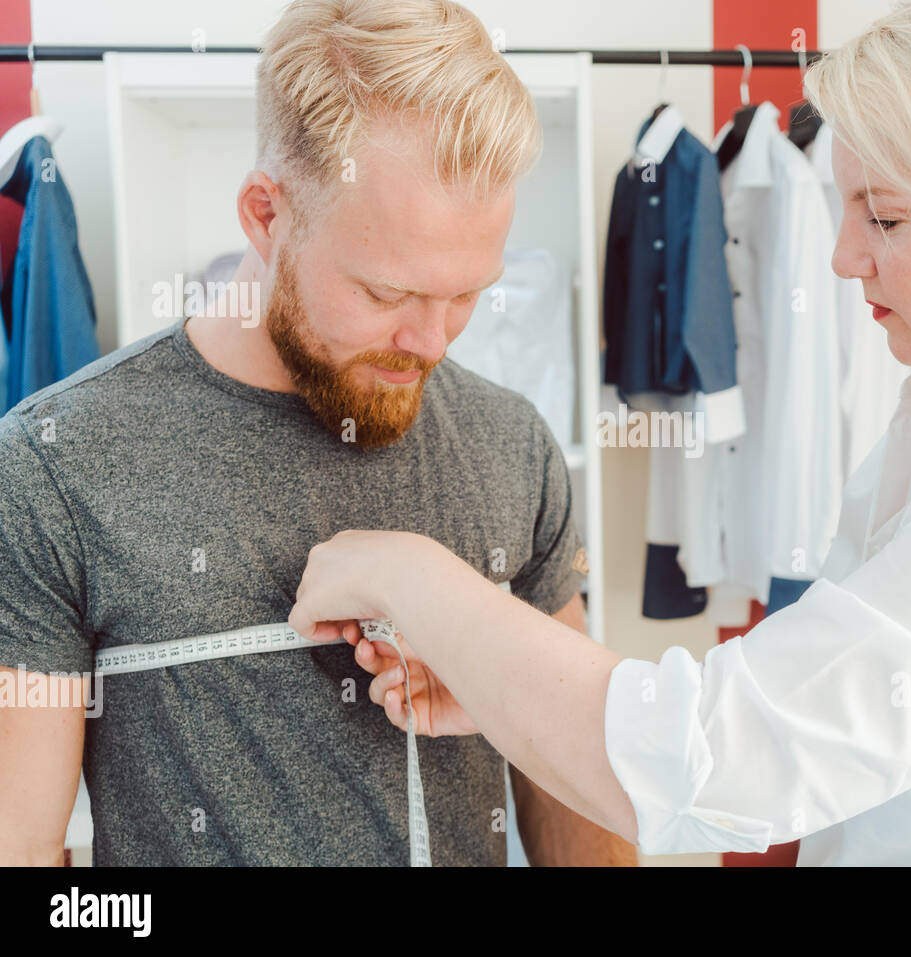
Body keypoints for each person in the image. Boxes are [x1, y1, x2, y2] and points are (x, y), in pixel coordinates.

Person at [290, 0, 911, 865]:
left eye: (887, 217)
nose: (843, 255)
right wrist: (506, 689)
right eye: (847, 207)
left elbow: (720, 757)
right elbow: (814, 729)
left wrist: (410, 576)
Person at [0, 0, 635, 866]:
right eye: (386, 293)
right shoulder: (54, 466)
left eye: (467, 294)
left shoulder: (510, 442)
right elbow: (22, 847)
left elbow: (577, 775)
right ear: (266, 214)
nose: (433, 342)